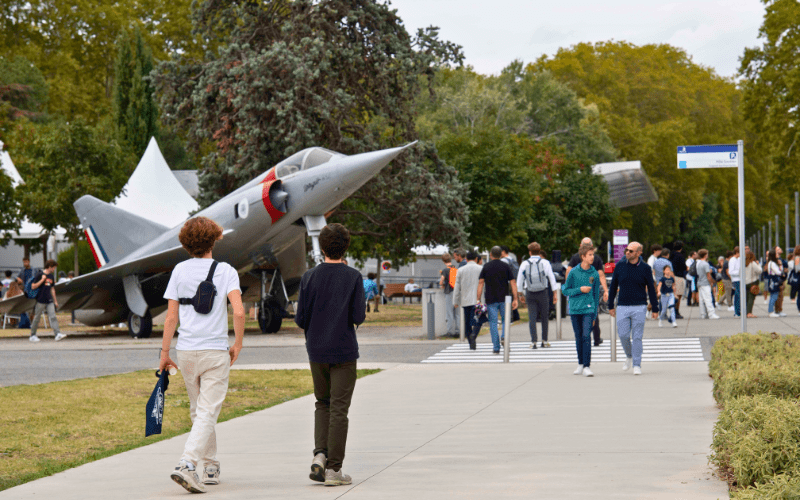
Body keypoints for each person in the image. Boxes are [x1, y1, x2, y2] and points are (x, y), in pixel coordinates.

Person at [159, 217, 244, 493]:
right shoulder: (226, 271)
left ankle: (210, 466)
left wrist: (164, 352)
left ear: (186, 243)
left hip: (185, 351)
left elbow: (171, 317)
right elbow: (239, 311)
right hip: (215, 350)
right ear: (214, 239)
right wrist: (238, 344)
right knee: (207, 411)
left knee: (200, 412)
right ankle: (187, 464)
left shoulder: (179, 271)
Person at [294, 223, 365, 486]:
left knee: (321, 402)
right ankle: (334, 469)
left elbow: (301, 319)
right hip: (344, 349)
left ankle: (320, 455)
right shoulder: (353, 277)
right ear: (346, 246)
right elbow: (358, 316)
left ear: (321, 247)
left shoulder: (309, 277)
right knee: (339, 408)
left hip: (316, 349)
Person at [607, 242, 659, 376]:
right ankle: (629, 355)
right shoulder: (620, 266)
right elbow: (613, 286)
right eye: (626, 250)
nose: (627, 253)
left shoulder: (645, 268)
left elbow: (652, 290)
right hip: (622, 306)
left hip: (640, 306)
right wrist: (610, 306)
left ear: (638, 253)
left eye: (631, 251)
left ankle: (637, 364)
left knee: (637, 337)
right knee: (623, 335)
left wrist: (655, 308)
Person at [562, 244, 600, 377]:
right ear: (583, 257)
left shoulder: (594, 273)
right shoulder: (573, 272)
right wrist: (580, 290)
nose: (592, 257)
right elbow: (565, 290)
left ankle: (587, 366)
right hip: (575, 309)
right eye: (590, 255)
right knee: (578, 337)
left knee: (586, 336)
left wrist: (595, 315)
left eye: (593, 254)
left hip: (588, 310)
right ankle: (580, 363)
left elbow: (596, 295)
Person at [566, 237, 608, 346]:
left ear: (580, 246)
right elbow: (601, 275)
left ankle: (582, 338)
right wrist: (605, 290)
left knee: (579, 313)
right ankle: (596, 338)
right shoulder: (596, 258)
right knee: (593, 312)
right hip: (591, 290)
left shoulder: (575, 257)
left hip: (578, 291)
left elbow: (568, 271)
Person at [477, 246, 519, 354]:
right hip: (505, 298)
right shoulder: (506, 266)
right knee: (506, 320)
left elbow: (481, 283)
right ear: (501, 254)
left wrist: (478, 298)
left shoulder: (486, 266)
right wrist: (515, 298)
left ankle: (496, 347)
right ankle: (504, 337)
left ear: (491, 254)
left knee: (493, 323)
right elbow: (513, 282)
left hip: (491, 298)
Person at [517, 242, 557, 349]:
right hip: (543, 292)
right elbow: (552, 278)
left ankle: (533, 342)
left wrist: (520, 293)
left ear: (530, 252)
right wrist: (555, 293)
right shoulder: (545, 262)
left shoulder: (524, 263)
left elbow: (519, 280)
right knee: (544, 317)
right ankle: (544, 341)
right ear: (539, 252)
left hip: (530, 292)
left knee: (532, 317)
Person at [452, 250, 482, 350]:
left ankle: (471, 343)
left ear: (466, 259)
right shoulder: (481, 268)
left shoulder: (461, 270)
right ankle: (474, 335)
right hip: (478, 299)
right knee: (479, 319)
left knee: (467, 322)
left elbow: (457, 286)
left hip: (465, 300)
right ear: (476, 259)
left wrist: (455, 300)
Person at [29, 260, 64, 343]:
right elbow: (33, 286)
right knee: (37, 318)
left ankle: (57, 334)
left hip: (49, 300)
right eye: (54, 267)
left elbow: (52, 289)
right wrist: (42, 280)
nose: (54, 269)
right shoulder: (39, 275)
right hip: (40, 300)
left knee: (53, 316)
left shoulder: (51, 276)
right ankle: (32, 335)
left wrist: (55, 301)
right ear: (50, 267)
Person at [439, 253, 459, 336]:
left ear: (444, 261)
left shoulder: (445, 270)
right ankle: (458, 331)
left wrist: (442, 285)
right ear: (450, 260)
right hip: (457, 292)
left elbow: (441, 280)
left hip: (449, 292)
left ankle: (450, 331)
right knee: (457, 313)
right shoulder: (456, 269)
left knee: (449, 312)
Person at [695, 249, 719, 319]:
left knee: (702, 299)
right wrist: (712, 282)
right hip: (705, 283)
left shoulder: (698, 263)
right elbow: (708, 275)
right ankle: (711, 314)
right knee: (708, 299)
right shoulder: (705, 264)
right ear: (705, 255)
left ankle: (703, 314)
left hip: (700, 282)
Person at [669, 241, 688, 319]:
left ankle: (672, 311)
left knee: (673, 295)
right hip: (679, 276)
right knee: (678, 295)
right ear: (681, 247)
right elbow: (683, 267)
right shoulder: (680, 256)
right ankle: (676, 311)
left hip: (672, 275)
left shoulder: (671, 255)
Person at [16, 257, 34, 328]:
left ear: (29, 261)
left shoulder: (33, 270)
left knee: (32, 307)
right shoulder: (22, 270)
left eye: (26, 262)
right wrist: (18, 278)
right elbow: (17, 277)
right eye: (24, 262)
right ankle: (26, 322)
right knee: (25, 306)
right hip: (24, 290)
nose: (25, 264)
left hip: (32, 290)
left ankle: (32, 323)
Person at [765, 249, 783, 318]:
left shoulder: (770, 262)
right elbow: (779, 272)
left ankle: (771, 311)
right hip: (774, 280)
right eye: (776, 254)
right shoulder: (772, 263)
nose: (778, 255)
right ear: (773, 255)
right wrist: (780, 265)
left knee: (773, 296)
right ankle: (771, 311)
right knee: (774, 296)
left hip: (772, 280)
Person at [744, 250, 761, 318]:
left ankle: (746, 312)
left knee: (747, 298)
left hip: (745, 283)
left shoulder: (744, 263)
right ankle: (749, 313)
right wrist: (758, 264)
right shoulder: (752, 263)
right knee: (751, 298)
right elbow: (759, 271)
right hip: (752, 282)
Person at [728, 246, 742, 318]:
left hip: (740, 279)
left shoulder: (739, 259)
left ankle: (739, 311)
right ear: (737, 252)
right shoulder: (732, 260)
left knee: (740, 296)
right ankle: (736, 312)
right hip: (736, 279)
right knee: (737, 295)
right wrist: (739, 272)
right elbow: (731, 271)